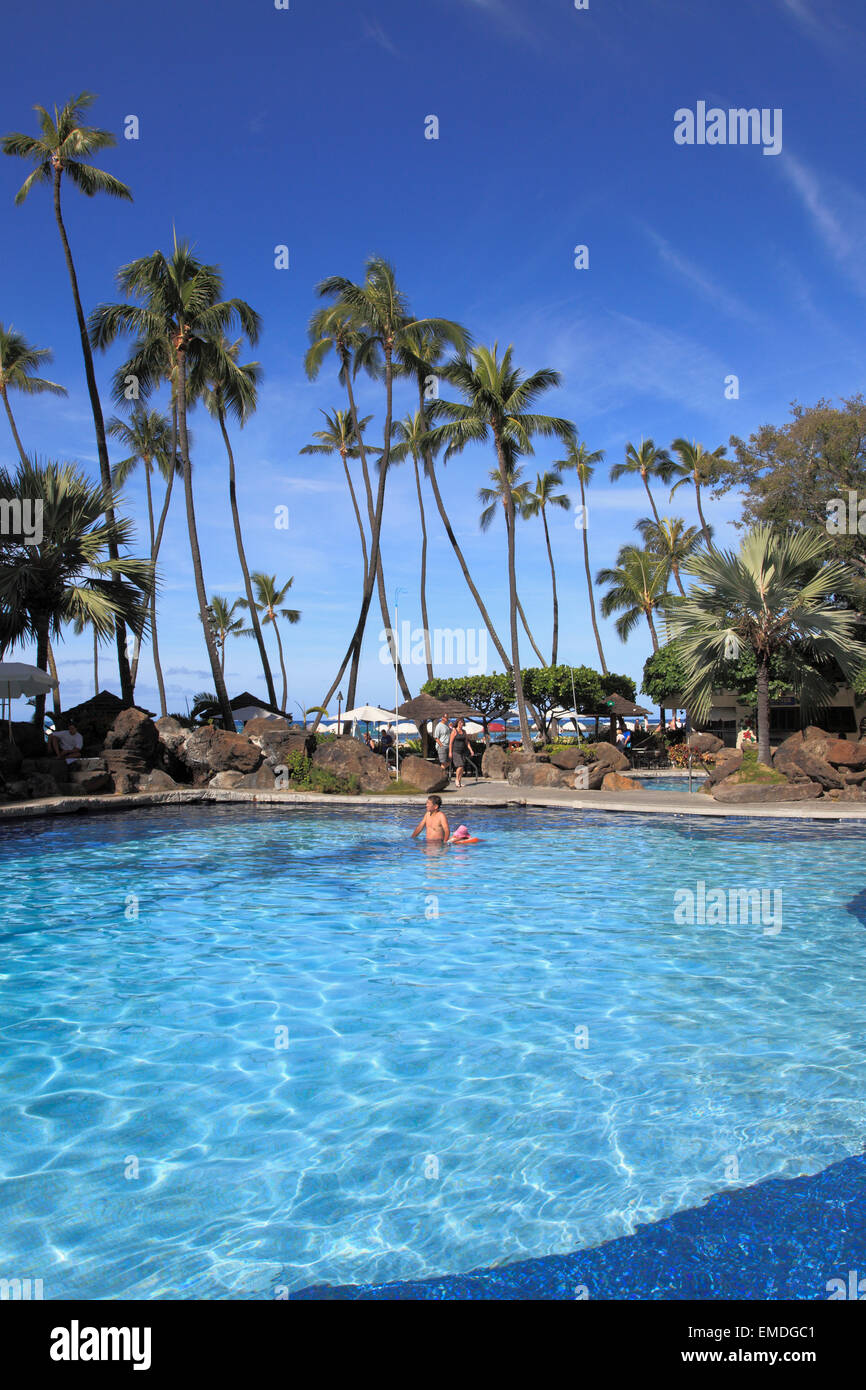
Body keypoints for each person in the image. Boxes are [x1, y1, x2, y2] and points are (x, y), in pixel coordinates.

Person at [448, 718, 476, 789]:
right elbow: (450, 743)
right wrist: (450, 752)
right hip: (455, 751)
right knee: (460, 765)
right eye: (460, 723)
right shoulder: (454, 731)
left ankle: (459, 781)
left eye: (462, 723)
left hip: (462, 751)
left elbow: (467, 742)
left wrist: (471, 750)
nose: (461, 724)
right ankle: (457, 780)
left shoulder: (464, 731)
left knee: (462, 767)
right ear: (457, 723)